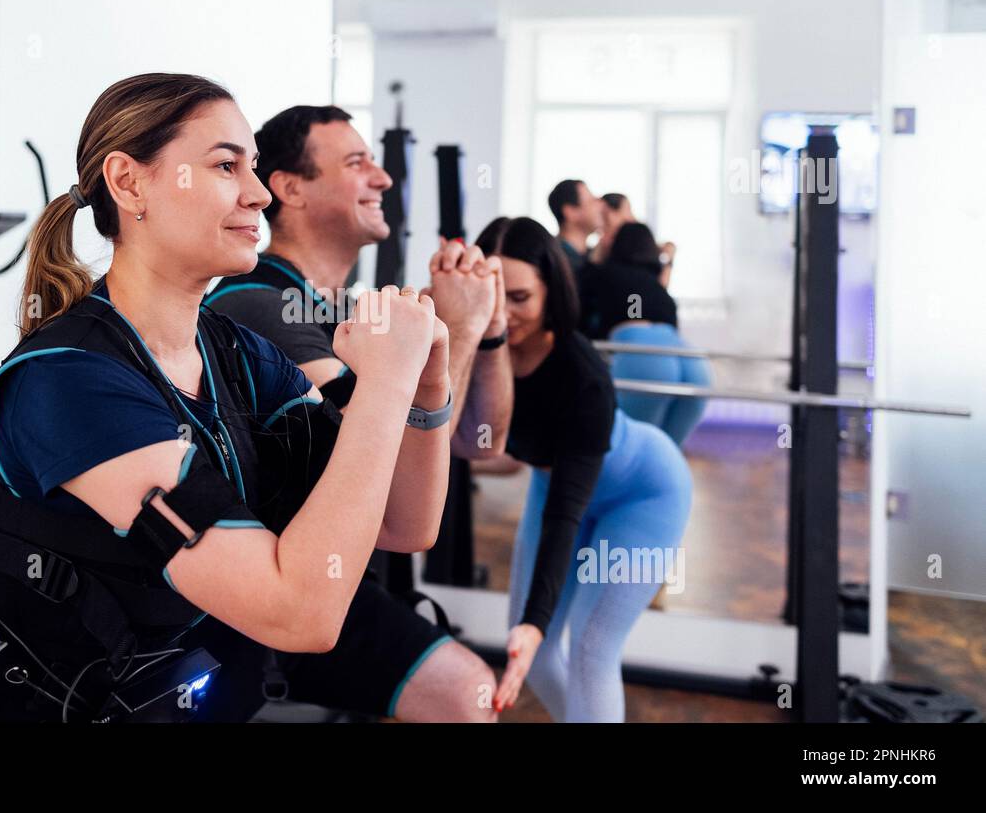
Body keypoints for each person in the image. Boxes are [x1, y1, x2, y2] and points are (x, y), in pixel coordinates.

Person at [0, 74, 456, 723]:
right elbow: (298, 612)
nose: (257, 191)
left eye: (253, 166)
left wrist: (427, 383)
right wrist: (385, 384)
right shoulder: (68, 380)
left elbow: (402, 524)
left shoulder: (242, 357)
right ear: (130, 183)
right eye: (225, 165)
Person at [204, 104, 507, 722]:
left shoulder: (336, 308)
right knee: (467, 691)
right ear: (290, 188)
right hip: (281, 597)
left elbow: (482, 442)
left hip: (354, 570)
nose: (384, 178)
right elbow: (393, 473)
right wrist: (458, 330)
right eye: (356, 162)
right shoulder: (262, 307)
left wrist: (488, 332)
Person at [476, 216, 692, 722]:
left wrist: (535, 619)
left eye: (520, 297)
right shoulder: (480, 348)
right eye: (492, 293)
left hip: (642, 492)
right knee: (531, 651)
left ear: (551, 289)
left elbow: (563, 517)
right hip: (552, 487)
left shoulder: (582, 377)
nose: (503, 313)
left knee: (592, 648)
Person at [580, 222, 710, 447]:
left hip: (644, 354)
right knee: (666, 451)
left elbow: (580, 290)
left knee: (629, 448)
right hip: (691, 360)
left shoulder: (605, 273)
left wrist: (596, 256)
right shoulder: (656, 285)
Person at [592, 192, 675, 286]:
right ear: (611, 213)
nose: (632, 217)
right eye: (627, 209)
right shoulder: (606, 243)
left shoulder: (634, 240)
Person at [547, 178, 603, 275]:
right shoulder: (553, 260)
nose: (600, 205)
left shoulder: (593, 255)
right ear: (570, 212)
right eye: (592, 201)